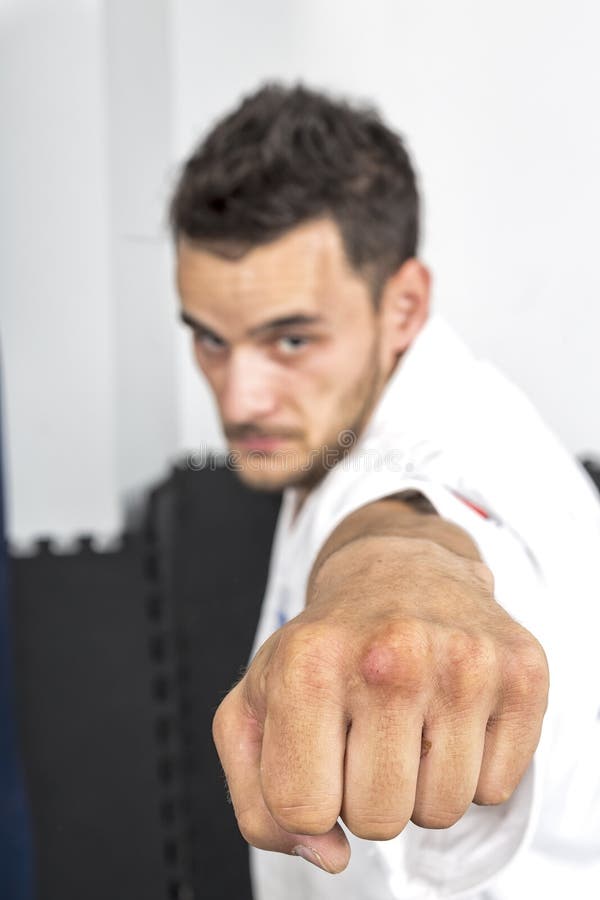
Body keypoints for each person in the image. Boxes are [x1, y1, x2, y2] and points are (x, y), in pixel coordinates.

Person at [169, 83, 600, 899]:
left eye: (289, 338)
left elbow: (411, 516)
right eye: (210, 340)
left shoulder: (433, 453)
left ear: (403, 305)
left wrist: (395, 578)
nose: (239, 399)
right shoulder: (335, 426)